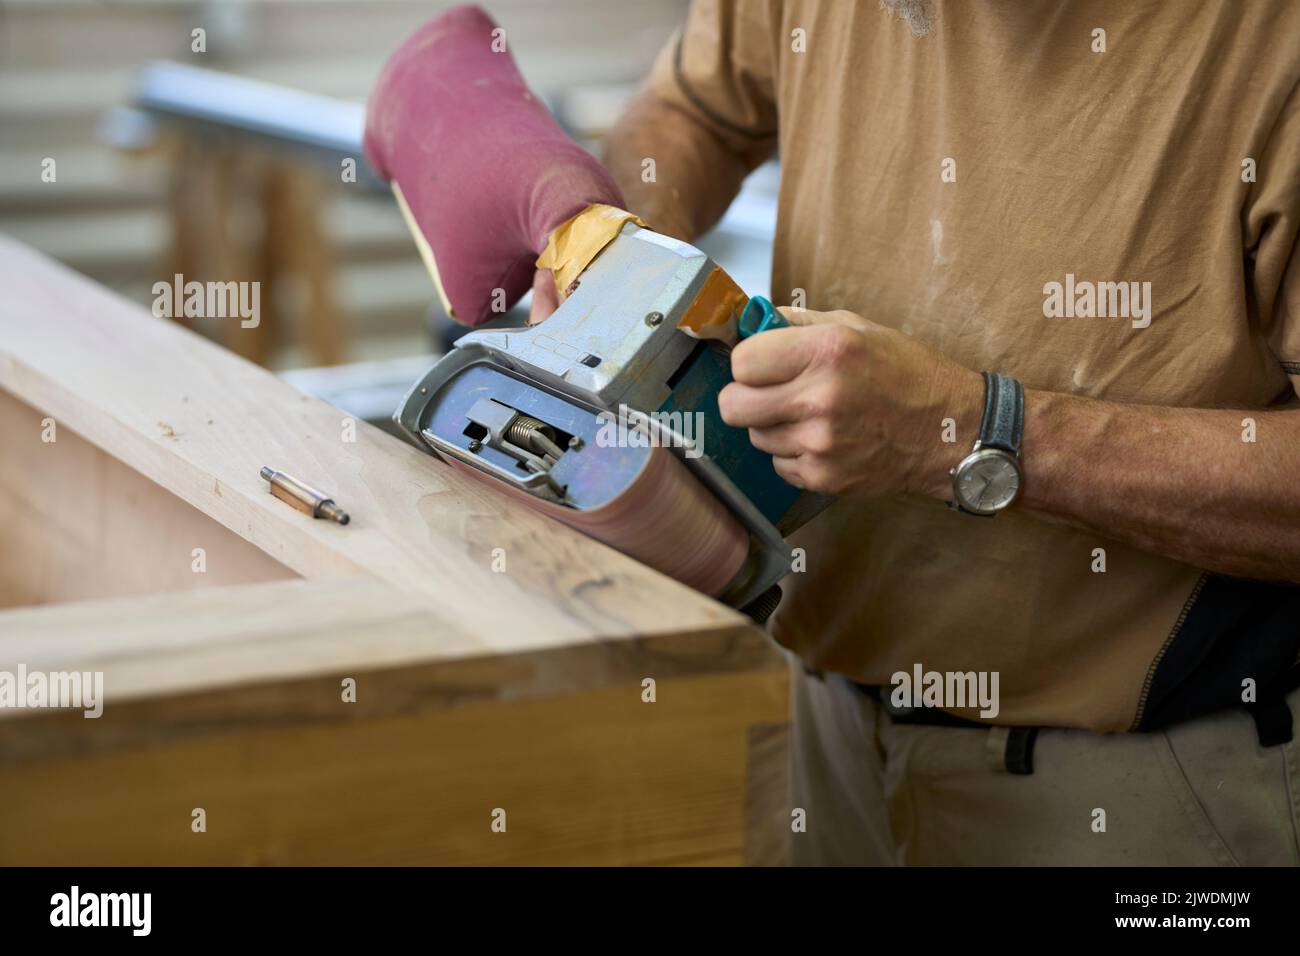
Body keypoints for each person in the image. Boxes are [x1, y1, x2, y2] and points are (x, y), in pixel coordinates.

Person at [593, 0, 1300, 865]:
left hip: (1143, 786)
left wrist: (967, 433)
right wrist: (616, 257)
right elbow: (695, 110)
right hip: (826, 709)